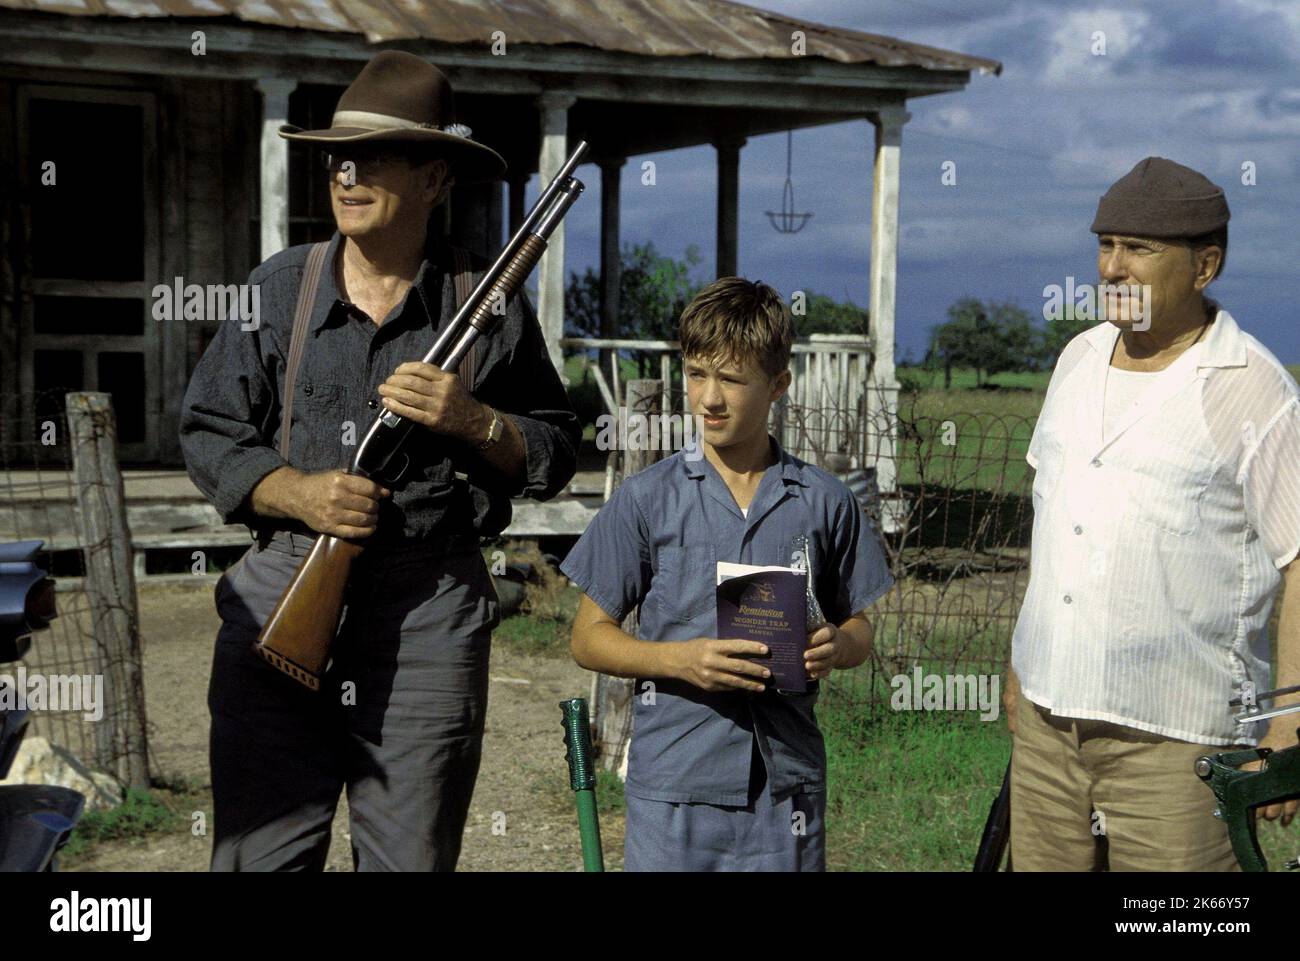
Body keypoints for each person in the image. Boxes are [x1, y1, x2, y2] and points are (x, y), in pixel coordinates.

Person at [179, 50, 580, 871]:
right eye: (336, 158)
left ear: (434, 180)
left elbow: (554, 449)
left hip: (428, 611)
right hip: (284, 588)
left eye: (375, 158)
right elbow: (210, 426)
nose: (346, 174)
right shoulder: (278, 290)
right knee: (258, 858)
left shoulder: (489, 308)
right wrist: (297, 492)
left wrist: (474, 422)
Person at [1005, 156, 1300, 871]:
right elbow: (1054, 523)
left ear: (1205, 266)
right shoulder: (1077, 359)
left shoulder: (1252, 388)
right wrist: (1019, 665)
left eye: (1139, 249)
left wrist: (1289, 719)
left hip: (1182, 741)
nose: (1113, 267)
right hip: (1049, 729)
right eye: (1106, 245)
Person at [561, 277, 893, 871]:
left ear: (778, 386)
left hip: (785, 786)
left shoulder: (824, 501)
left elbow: (861, 628)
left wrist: (837, 646)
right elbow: (588, 638)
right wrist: (679, 660)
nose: (709, 398)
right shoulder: (646, 499)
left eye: (733, 380)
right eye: (695, 374)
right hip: (675, 783)